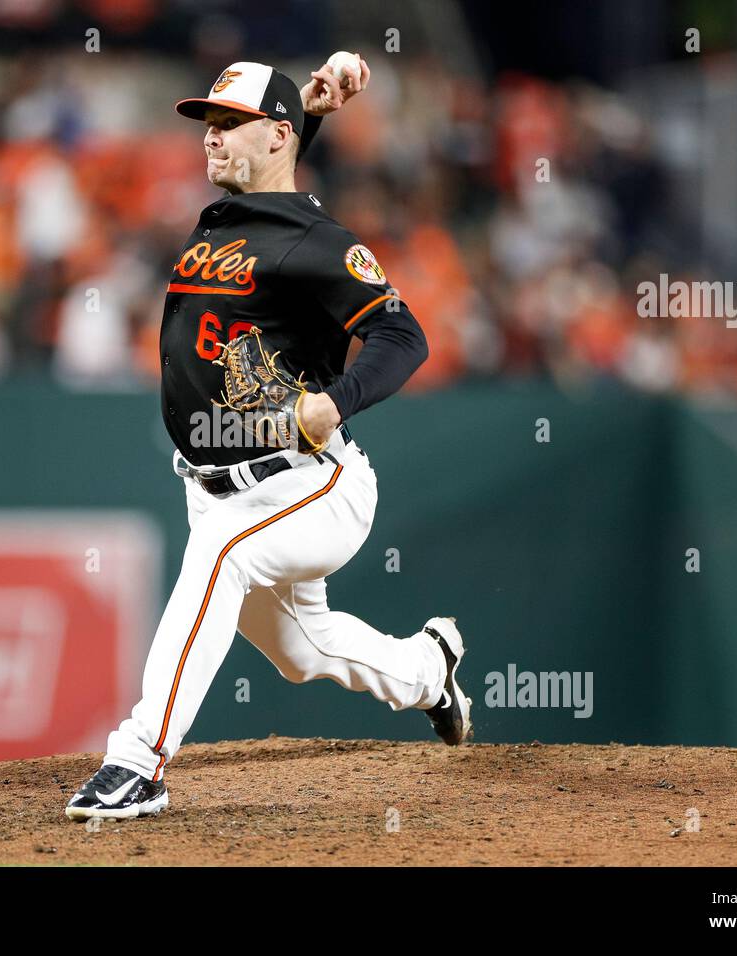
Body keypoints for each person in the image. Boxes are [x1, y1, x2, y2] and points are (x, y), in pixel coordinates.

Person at [66, 57, 473, 820]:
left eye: (229, 125)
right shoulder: (231, 216)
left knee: (225, 558)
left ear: (276, 135)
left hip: (310, 482)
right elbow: (273, 190)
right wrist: (304, 114)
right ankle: (428, 671)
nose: (210, 140)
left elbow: (403, 335)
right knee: (303, 652)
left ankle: (139, 761)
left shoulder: (321, 241)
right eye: (208, 126)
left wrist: (338, 399)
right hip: (212, 488)